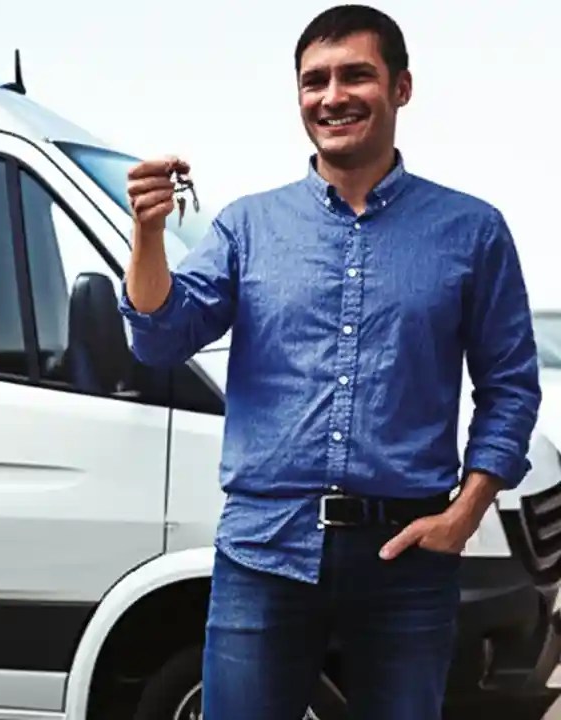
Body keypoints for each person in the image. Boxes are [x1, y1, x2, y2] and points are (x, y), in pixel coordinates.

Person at [119, 4, 540, 719]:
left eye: (356, 75)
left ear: (401, 87)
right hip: (263, 552)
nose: (333, 96)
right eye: (315, 81)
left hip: (408, 556)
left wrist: (464, 515)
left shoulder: (471, 232)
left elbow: (510, 389)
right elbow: (160, 339)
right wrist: (148, 235)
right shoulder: (248, 227)